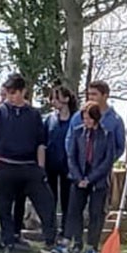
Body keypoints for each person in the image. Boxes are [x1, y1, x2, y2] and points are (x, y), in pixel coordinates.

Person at [0, 74, 57, 253]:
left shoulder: (33, 115)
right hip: (5, 165)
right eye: (8, 92)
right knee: (4, 206)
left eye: (15, 92)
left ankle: (51, 240)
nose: (11, 96)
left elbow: (41, 143)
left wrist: (40, 168)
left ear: (23, 92)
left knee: (46, 203)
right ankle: (8, 241)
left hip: (29, 166)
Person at [52, 102, 118, 253]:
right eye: (84, 118)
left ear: (96, 118)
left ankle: (92, 247)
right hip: (78, 179)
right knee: (74, 211)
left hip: (98, 181)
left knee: (96, 214)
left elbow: (107, 160)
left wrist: (91, 179)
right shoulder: (77, 133)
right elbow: (72, 156)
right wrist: (78, 177)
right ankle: (68, 243)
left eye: (89, 118)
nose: (86, 122)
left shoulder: (107, 135)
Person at [44, 85, 77, 241]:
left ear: (66, 99)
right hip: (50, 164)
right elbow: (43, 142)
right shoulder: (49, 119)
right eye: (52, 98)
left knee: (67, 200)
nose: (54, 101)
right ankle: (50, 233)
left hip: (69, 166)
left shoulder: (76, 119)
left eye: (57, 97)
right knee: (50, 200)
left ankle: (66, 233)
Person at [67, 81, 125, 157]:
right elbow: (69, 140)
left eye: (94, 94)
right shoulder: (78, 117)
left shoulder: (116, 120)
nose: (90, 97)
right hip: (80, 167)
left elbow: (120, 147)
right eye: (89, 94)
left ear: (105, 96)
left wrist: (106, 162)